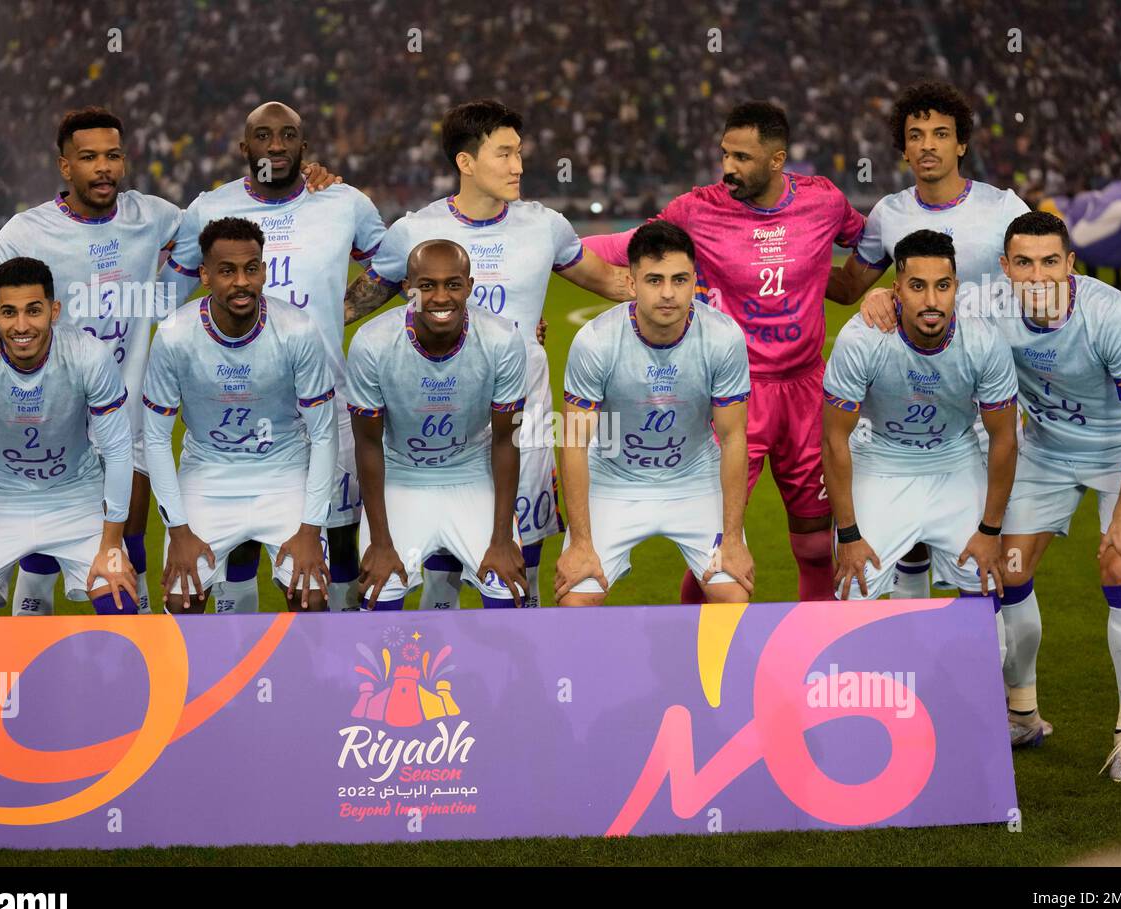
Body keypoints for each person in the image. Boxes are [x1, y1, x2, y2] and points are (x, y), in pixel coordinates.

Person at [344, 99, 629, 608]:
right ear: (466, 162)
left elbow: (609, 281)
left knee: (525, 551)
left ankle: (527, 654)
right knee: (441, 553)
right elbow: (357, 302)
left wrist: (686, 280)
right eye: (504, 154)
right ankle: (446, 658)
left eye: (519, 153)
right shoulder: (414, 232)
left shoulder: (546, 226)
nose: (518, 166)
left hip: (525, 413)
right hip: (444, 407)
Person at [582, 101, 866, 603]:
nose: (728, 168)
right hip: (734, 394)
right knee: (713, 550)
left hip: (807, 389)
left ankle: (815, 655)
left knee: (818, 544)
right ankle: (697, 664)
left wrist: (880, 290)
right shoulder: (697, 209)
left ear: (778, 160)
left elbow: (876, 245)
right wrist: (550, 249)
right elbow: (626, 244)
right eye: (725, 155)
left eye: (742, 157)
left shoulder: (824, 201)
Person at [0, 107, 179, 614]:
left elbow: (221, 228)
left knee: (126, 546)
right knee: (42, 551)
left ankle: (131, 666)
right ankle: (37, 661)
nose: (103, 168)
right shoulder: (28, 230)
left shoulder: (155, 217)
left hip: (126, 407)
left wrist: (311, 181)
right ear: (65, 166)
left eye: (113, 156)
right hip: (53, 412)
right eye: (89, 157)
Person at [161, 101, 385, 613]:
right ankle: (239, 659)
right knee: (239, 540)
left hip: (326, 401)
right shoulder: (208, 209)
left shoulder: (345, 202)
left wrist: (342, 310)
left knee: (338, 537)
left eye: (288, 136)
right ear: (245, 148)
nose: (276, 146)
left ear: (304, 148)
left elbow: (394, 265)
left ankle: (337, 655)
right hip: (237, 406)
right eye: (263, 136)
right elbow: (167, 300)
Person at [826, 80, 1030, 599]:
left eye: (941, 134)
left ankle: (1010, 682)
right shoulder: (889, 214)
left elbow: (1049, 279)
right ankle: (909, 665)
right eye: (915, 135)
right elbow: (852, 286)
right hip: (913, 392)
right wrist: (786, 268)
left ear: (961, 143)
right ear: (904, 147)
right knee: (910, 543)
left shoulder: (1004, 208)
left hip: (989, 398)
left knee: (996, 565)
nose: (928, 145)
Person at [992, 212, 1121, 780]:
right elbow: (927, 317)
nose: (1037, 275)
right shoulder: (990, 308)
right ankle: (1023, 714)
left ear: (1070, 264)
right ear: (1006, 268)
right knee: (1009, 571)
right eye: (1024, 262)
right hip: (1044, 451)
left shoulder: (1109, 313)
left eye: (1049, 261)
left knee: (1119, 566)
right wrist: (883, 298)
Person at [821, 230, 1017, 661]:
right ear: (896, 291)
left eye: (942, 286)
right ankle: (865, 708)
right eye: (917, 286)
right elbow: (835, 439)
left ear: (956, 289)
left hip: (954, 457)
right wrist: (849, 535)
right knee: (855, 584)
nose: (931, 300)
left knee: (984, 581)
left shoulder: (983, 341)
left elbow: (1004, 439)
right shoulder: (862, 340)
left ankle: (982, 710)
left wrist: (990, 531)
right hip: (883, 458)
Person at [142, 218, 336, 613]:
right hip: (208, 475)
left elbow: (324, 434)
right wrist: (177, 530)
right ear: (205, 275)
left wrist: (311, 528)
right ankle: (200, 677)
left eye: (251, 268)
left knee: (312, 595)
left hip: (283, 472)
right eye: (227, 271)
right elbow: (157, 439)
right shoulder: (175, 335)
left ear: (264, 271)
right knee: (182, 598)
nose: (241, 282)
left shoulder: (296, 330)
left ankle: (304, 677)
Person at [555, 221, 753, 606]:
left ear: (695, 281)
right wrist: (580, 542)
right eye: (654, 280)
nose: (668, 293)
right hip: (614, 480)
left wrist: (733, 539)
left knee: (733, 593)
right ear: (631, 284)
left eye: (680, 280)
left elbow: (733, 438)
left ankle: (709, 669)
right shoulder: (595, 342)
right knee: (575, 599)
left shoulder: (723, 337)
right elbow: (575, 442)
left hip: (694, 477)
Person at [0, 257, 138, 617]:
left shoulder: (89, 356)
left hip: (75, 496)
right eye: (10, 313)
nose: (21, 325)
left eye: (34, 310)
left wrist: (111, 546)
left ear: (54, 310)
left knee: (121, 604)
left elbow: (119, 450)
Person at [345, 239, 528, 611]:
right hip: (401, 477)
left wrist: (502, 538)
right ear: (408, 288)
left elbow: (506, 441)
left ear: (470, 286)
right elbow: (367, 445)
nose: (441, 297)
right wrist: (381, 544)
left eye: (453, 285)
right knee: (381, 590)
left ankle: (493, 672)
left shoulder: (502, 339)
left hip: (472, 474)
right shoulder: (373, 342)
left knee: (507, 588)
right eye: (427, 286)